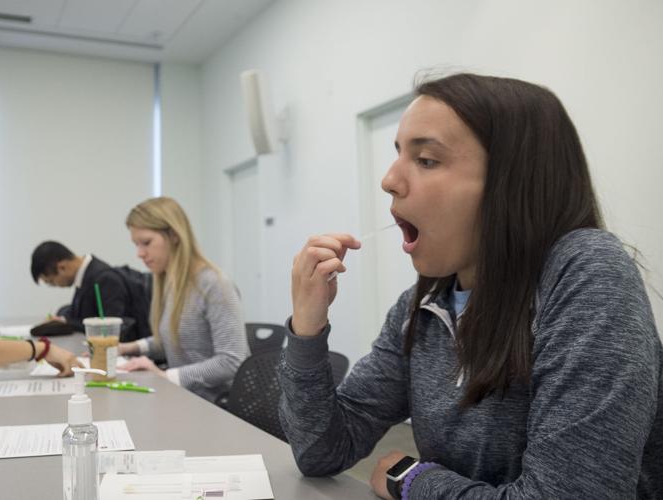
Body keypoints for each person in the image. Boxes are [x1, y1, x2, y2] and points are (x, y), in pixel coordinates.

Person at [282, 73, 662, 499]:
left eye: (426, 160)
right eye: (398, 154)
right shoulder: (423, 306)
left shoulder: (586, 271)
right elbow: (321, 450)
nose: (389, 180)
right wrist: (307, 326)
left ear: (513, 182)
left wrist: (412, 479)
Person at [117, 197, 250, 403]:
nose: (140, 254)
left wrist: (166, 376)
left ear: (174, 235)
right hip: (185, 397)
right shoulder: (170, 282)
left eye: (146, 243)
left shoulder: (214, 284)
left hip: (215, 404)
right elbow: (173, 339)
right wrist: (126, 348)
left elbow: (231, 361)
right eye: (136, 245)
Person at [30, 241, 152, 342]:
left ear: (62, 267)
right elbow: (79, 312)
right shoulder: (85, 276)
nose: (55, 286)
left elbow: (110, 327)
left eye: (51, 282)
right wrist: (62, 319)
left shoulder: (105, 279)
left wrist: (67, 322)